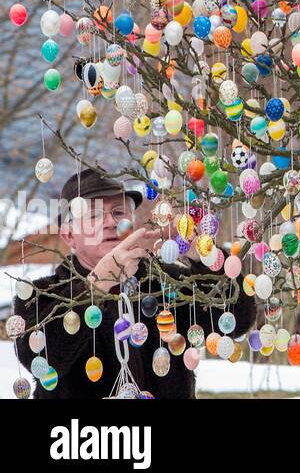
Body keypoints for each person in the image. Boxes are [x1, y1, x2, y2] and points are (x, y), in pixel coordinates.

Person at [12, 168, 256, 398]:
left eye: (118, 212)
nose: (110, 222)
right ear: (69, 236)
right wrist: (96, 286)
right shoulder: (40, 295)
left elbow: (237, 319)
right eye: (94, 215)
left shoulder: (167, 282)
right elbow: (39, 360)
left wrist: (201, 252)